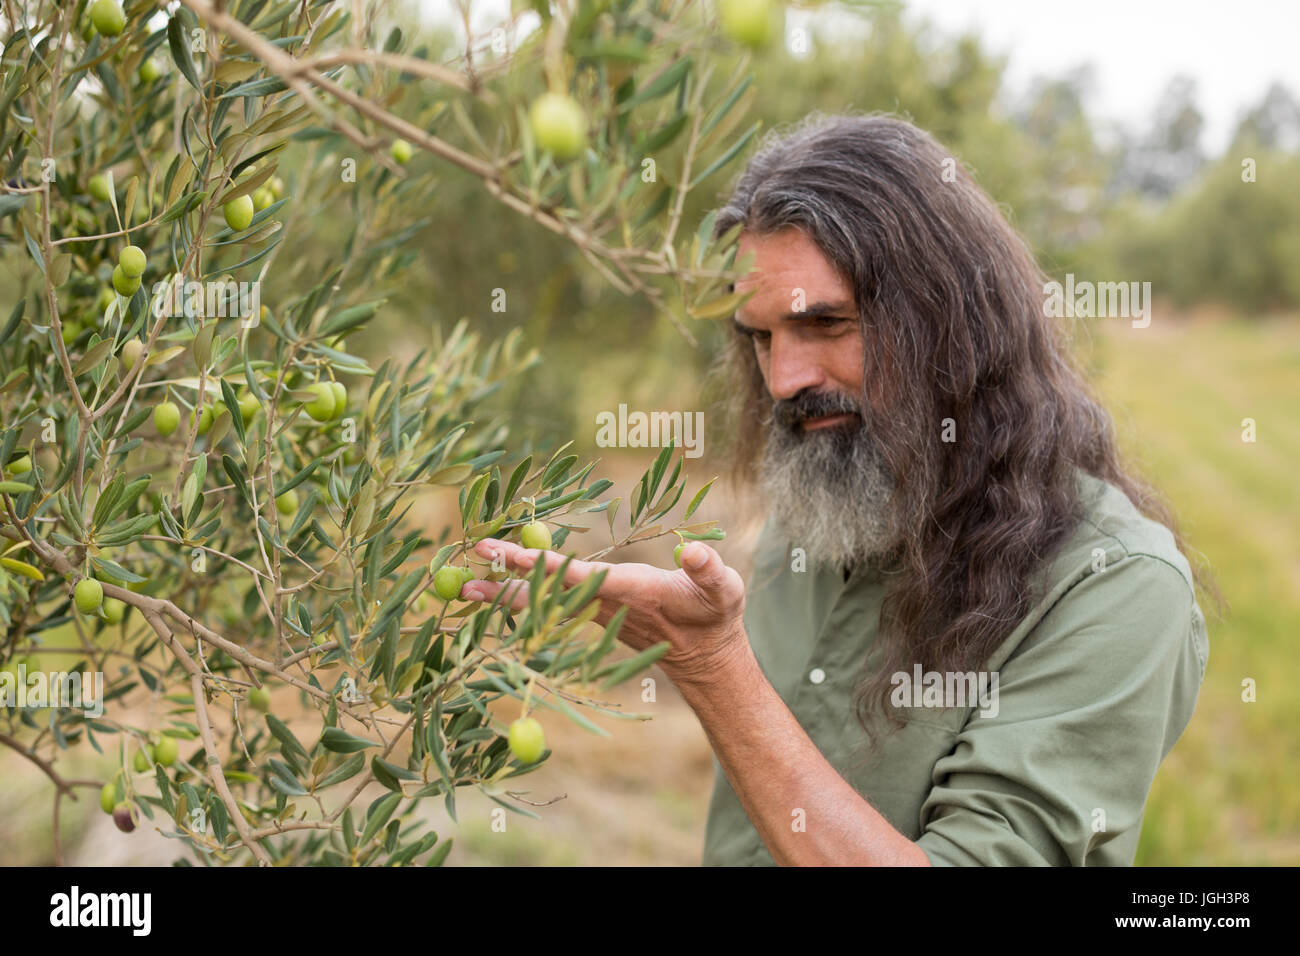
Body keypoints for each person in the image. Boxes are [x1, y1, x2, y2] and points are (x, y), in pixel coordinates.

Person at [466, 112, 1219, 866]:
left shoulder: (1114, 586)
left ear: (952, 324)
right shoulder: (829, 504)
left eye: (825, 323)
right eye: (760, 337)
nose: (784, 379)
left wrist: (712, 669)